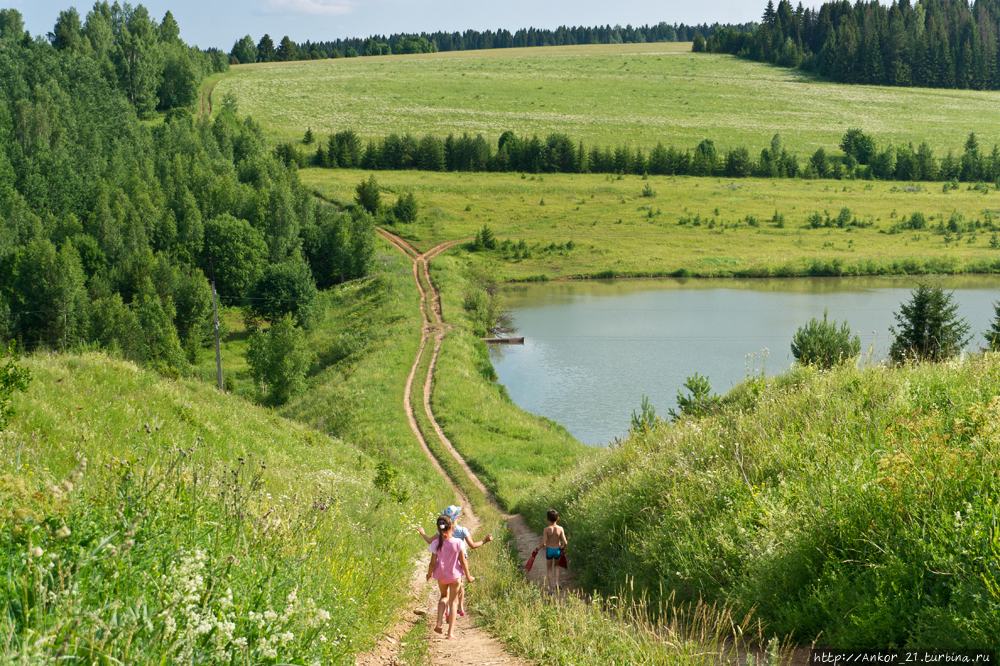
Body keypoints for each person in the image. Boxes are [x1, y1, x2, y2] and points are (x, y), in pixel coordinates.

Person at [418, 505, 492, 616]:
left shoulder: (441, 532)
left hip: (447, 561)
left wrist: (423, 533)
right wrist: (485, 540)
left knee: (447, 588)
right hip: (460, 560)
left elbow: (429, 541)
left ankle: (447, 610)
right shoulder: (463, 530)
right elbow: (472, 545)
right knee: (459, 584)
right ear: (457, 517)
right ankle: (460, 607)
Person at [426, 514, 474, 639]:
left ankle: (439, 623)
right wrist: (468, 576)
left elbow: (432, 563)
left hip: (442, 577)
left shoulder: (435, 543)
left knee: (443, 597)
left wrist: (429, 574)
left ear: (438, 528)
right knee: (453, 602)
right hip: (455, 577)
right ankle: (450, 633)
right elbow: (463, 561)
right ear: (452, 527)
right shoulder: (458, 542)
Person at [532, 509, 568, 593]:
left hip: (550, 550)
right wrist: (562, 547)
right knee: (556, 566)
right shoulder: (560, 528)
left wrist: (536, 549)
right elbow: (565, 542)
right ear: (558, 518)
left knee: (549, 568)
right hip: (557, 550)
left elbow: (543, 543)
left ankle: (551, 589)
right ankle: (556, 583)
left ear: (547, 519)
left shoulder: (546, 529)